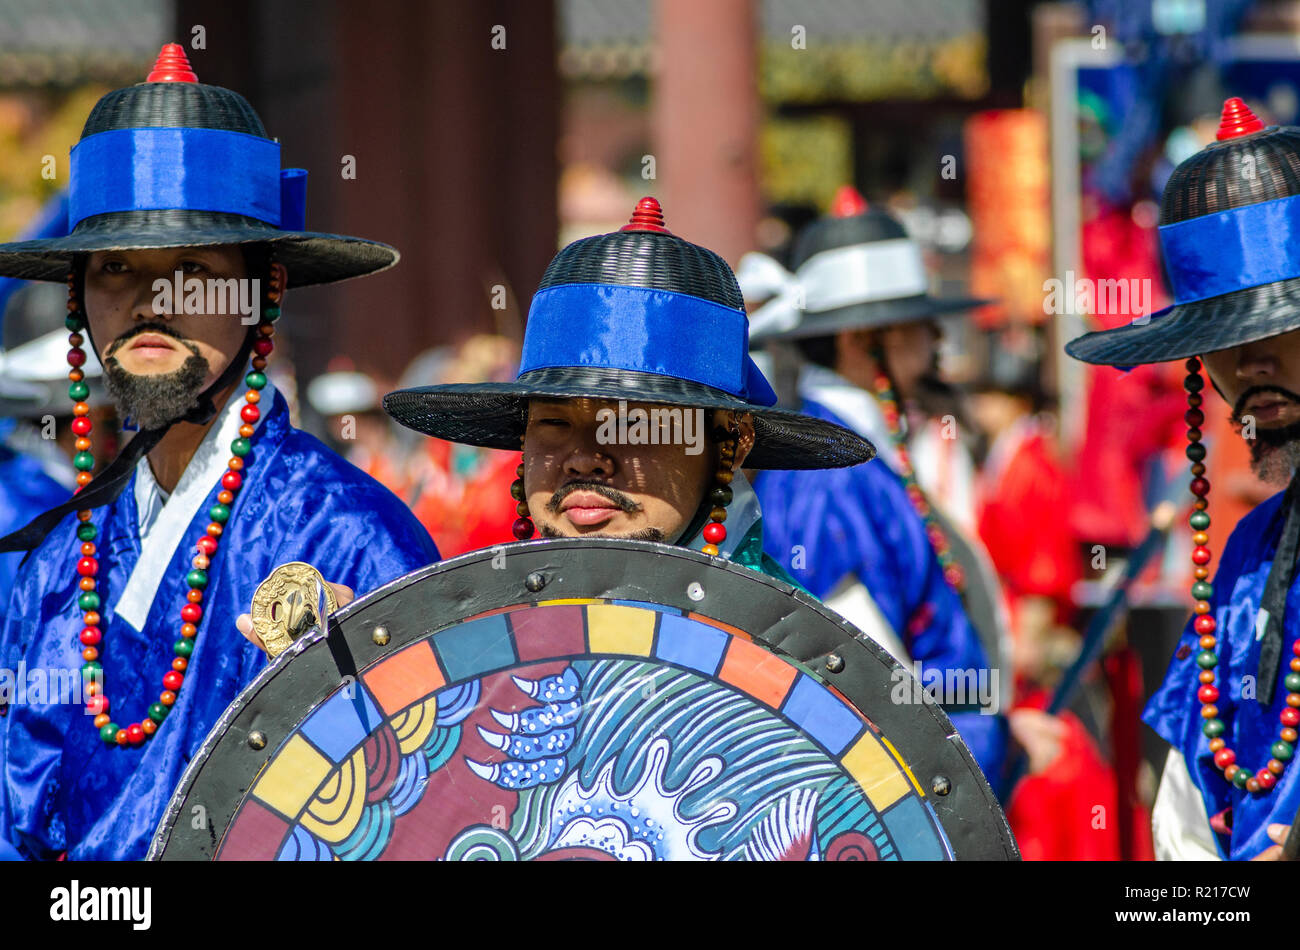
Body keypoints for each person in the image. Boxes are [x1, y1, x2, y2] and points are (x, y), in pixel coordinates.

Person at [0, 44, 438, 860]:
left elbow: (414, 812)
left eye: (192, 269)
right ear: (77, 296)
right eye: (117, 268)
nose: (149, 304)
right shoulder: (58, 561)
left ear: (263, 290)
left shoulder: (350, 538)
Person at [1066, 98, 1300, 860]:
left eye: (1278, 328)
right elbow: (1191, 802)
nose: (1251, 365)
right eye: (1226, 341)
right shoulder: (1247, 552)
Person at [738, 188, 1009, 781]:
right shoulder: (832, 477)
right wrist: (993, 747)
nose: (936, 343)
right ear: (861, 340)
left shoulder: (856, 459)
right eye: (917, 326)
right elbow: (858, 686)